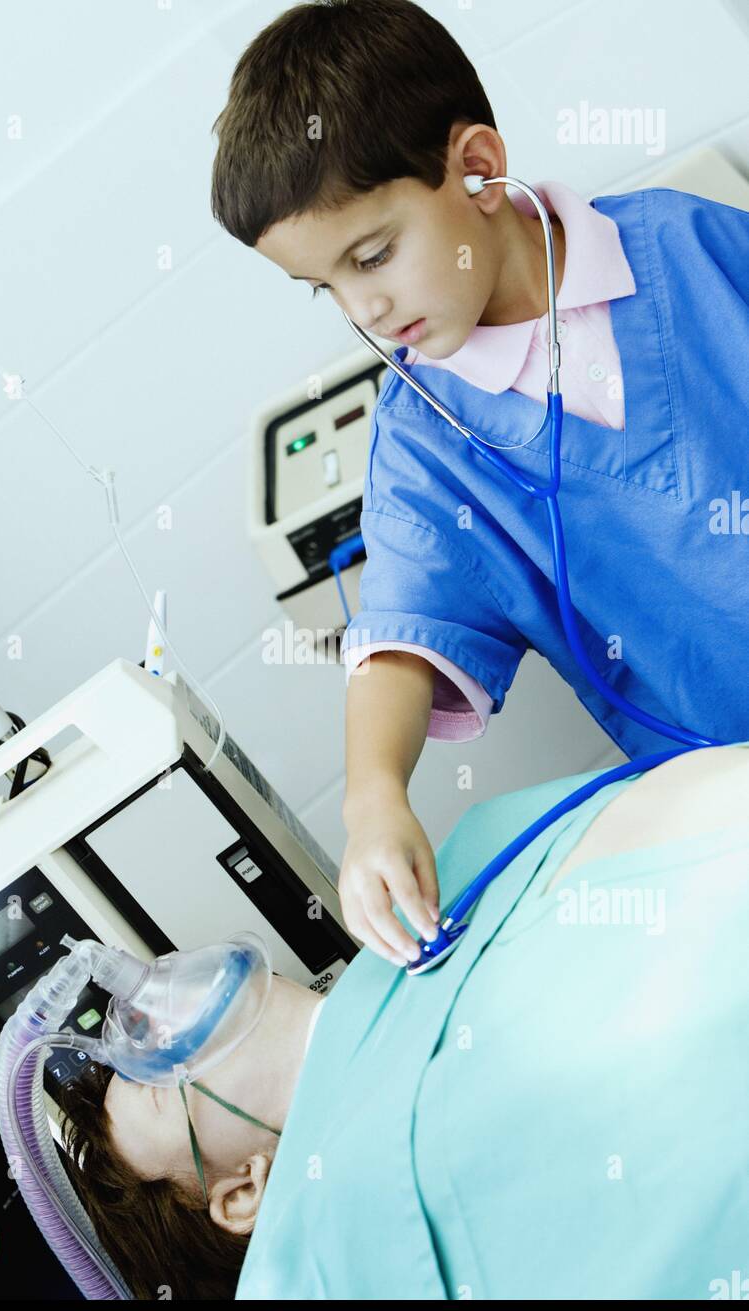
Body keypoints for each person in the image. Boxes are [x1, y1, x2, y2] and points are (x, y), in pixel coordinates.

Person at [209, 0, 749, 970]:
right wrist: (373, 797)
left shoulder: (688, 249)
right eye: (324, 286)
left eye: (370, 254)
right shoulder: (424, 445)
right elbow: (401, 640)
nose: (362, 308)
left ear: (475, 169)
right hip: (726, 807)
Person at [58, 740, 749, 1299]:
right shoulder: (345, 1219)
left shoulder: (408, 924)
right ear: (241, 1193)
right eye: (151, 1078)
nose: (156, 1009)